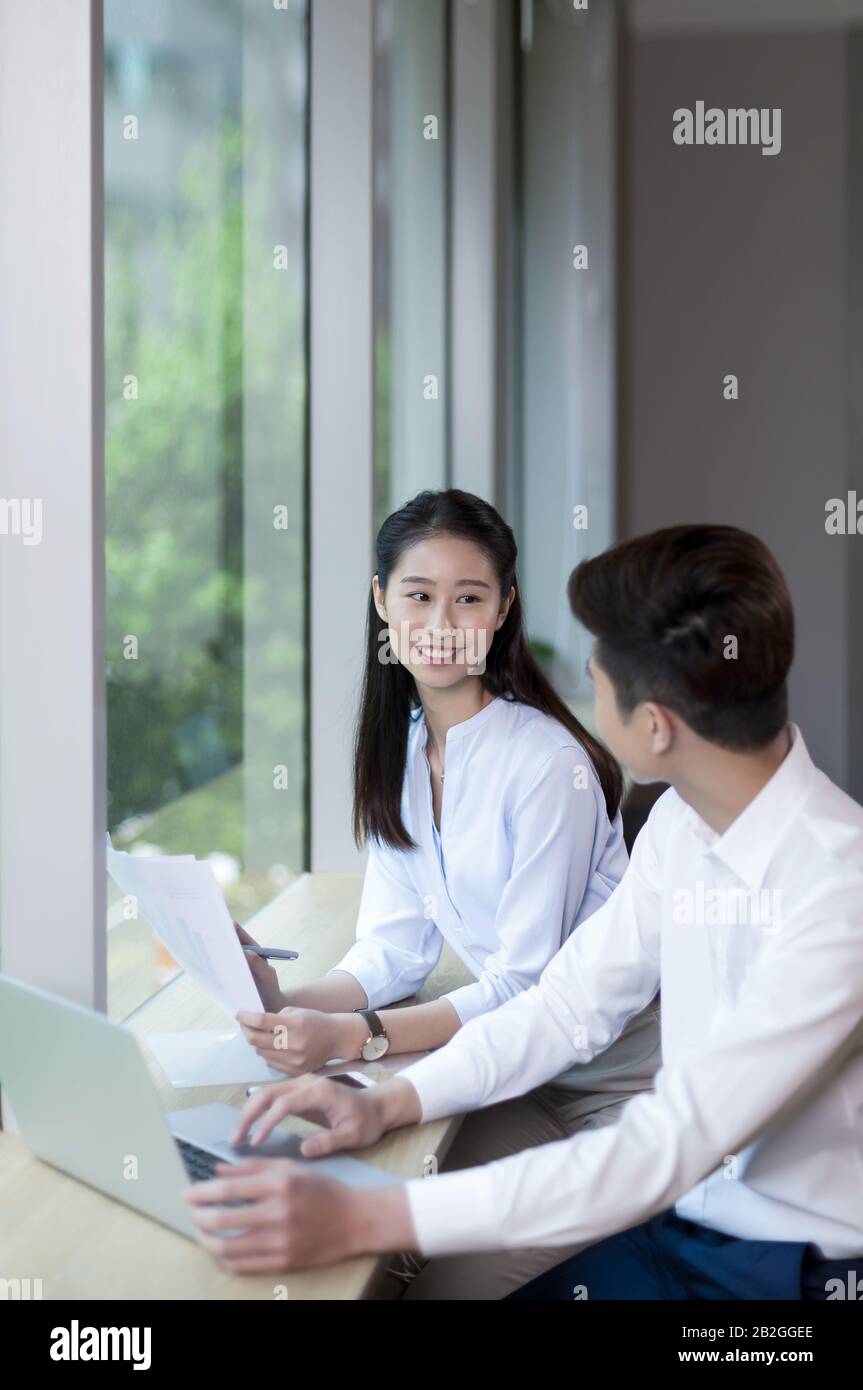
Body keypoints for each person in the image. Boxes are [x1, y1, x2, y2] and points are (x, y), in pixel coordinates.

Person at [187, 523, 863, 1301]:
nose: (582, 682)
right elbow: (565, 1003)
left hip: (784, 1271)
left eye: (597, 673)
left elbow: (665, 1141)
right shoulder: (683, 821)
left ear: (654, 726)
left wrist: (369, 1216)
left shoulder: (837, 890)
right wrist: (387, 1103)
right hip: (679, 1218)